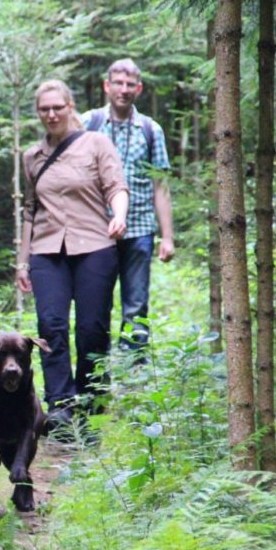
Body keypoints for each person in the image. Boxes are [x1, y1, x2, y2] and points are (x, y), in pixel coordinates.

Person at [16, 79, 129, 431]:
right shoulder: (31, 157)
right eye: (44, 109)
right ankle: (61, 407)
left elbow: (116, 186)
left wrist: (120, 215)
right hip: (46, 251)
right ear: (38, 113)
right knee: (50, 327)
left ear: (70, 107)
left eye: (57, 107)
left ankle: (92, 402)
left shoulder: (96, 143)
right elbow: (30, 211)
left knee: (92, 329)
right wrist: (22, 261)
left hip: (95, 245)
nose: (51, 115)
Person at [81, 58, 174, 356]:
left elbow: (161, 185)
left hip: (140, 231)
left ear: (139, 88)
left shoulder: (151, 130)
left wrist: (168, 237)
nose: (123, 90)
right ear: (107, 86)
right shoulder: (88, 123)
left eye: (129, 84)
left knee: (136, 304)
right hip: (97, 233)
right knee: (97, 303)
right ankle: (98, 371)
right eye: (118, 83)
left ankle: (134, 374)